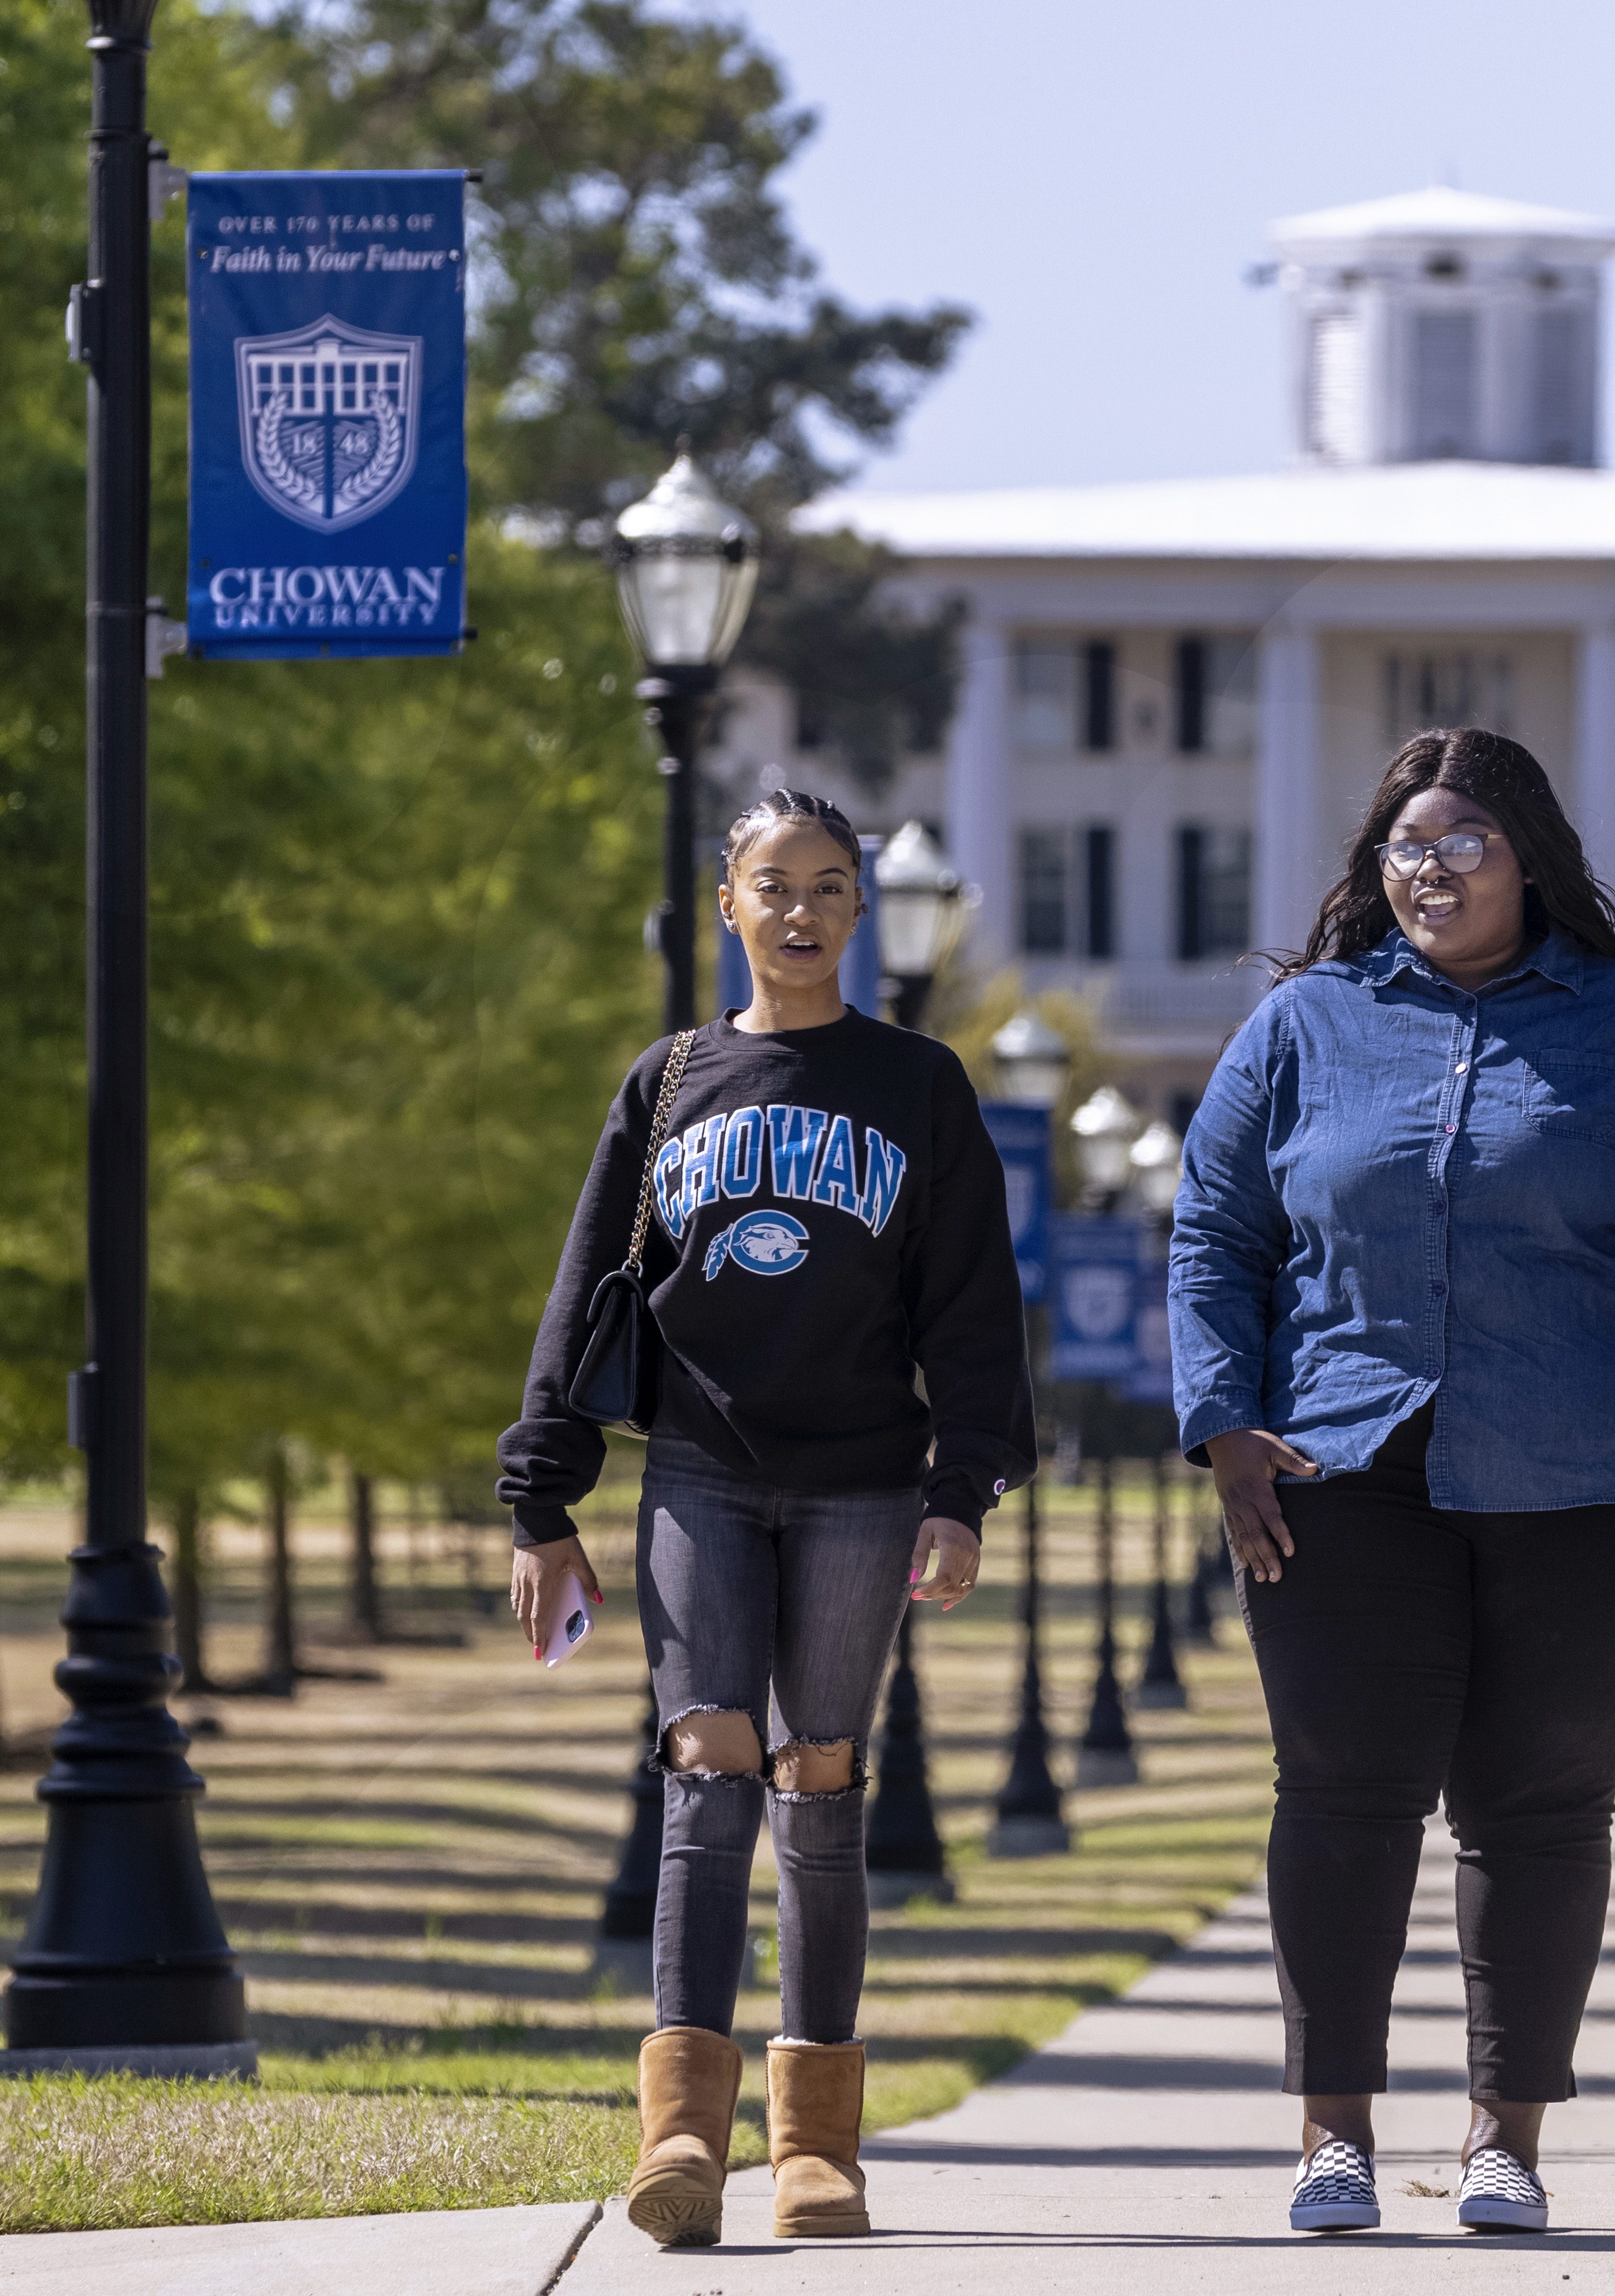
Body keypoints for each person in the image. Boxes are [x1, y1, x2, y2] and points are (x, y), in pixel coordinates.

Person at [1170, 726, 1615, 2239]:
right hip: (1340, 1465)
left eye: (1462, 844)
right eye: (1405, 847)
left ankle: (1504, 2137)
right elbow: (1213, 1234)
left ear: (1527, 859)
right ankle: (1331, 2139)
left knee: (1541, 1808)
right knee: (1337, 1794)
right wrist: (1223, 1422)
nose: (1431, 869)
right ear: (1375, 869)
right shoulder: (1305, 1022)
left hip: (1597, 1477)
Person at [500, 788, 1030, 2250]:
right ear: (727, 902)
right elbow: (584, 1290)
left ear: (860, 911)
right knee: (707, 1759)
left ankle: (816, 2151)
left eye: (830, 886)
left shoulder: (918, 1084)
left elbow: (975, 1306)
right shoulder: (669, 1079)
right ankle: (679, 2131)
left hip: (866, 1479)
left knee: (819, 1775)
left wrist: (962, 1488)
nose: (801, 909)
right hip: (703, 1472)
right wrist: (541, 1499)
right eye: (773, 883)